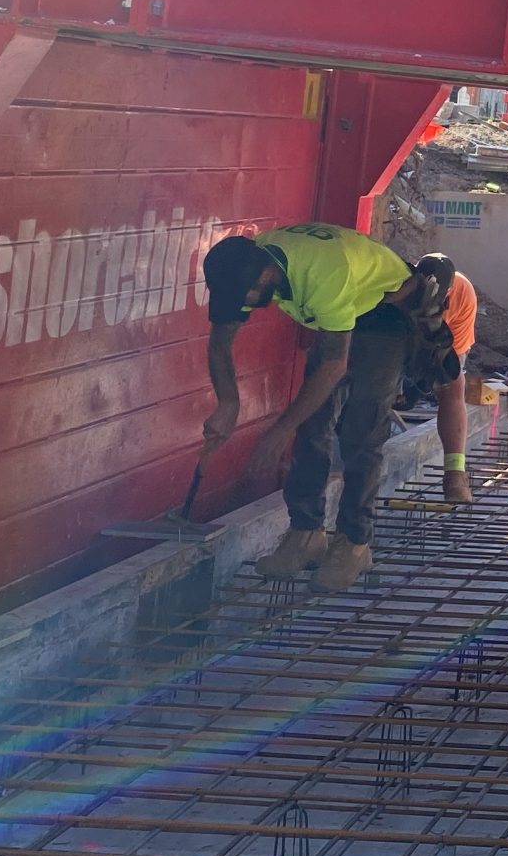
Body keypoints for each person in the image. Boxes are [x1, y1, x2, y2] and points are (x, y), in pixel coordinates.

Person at [202, 223, 480, 593]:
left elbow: (335, 365)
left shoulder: (321, 275)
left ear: (267, 274)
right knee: (312, 424)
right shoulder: (247, 263)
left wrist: (277, 430)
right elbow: (221, 338)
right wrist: (228, 402)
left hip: (386, 312)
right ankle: (306, 533)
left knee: (361, 432)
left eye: (250, 297)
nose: (247, 305)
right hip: (345, 303)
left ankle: (353, 543)